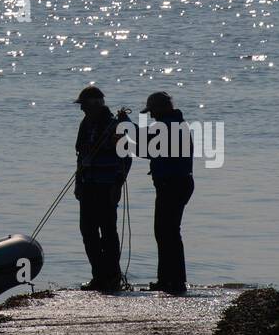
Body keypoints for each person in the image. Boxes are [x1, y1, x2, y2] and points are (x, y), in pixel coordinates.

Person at [73, 86, 131, 292]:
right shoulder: (85, 124)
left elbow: (126, 159)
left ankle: (112, 276)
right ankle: (99, 276)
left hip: (107, 187)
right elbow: (80, 156)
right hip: (87, 186)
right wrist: (78, 184)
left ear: (95, 105)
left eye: (84, 106)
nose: (82, 110)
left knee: (108, 232)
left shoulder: (115, 126)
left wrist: (117, 184)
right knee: (87, 232)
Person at [142, 91, 194, 295]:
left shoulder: (168, 126)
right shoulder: (173, 124)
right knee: (165, 232)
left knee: (168, 232)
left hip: (174, 185)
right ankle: (167, 279)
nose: (151, 115)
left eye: (152, 110)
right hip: (175, 184)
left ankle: (176, 282)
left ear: (162, 108)